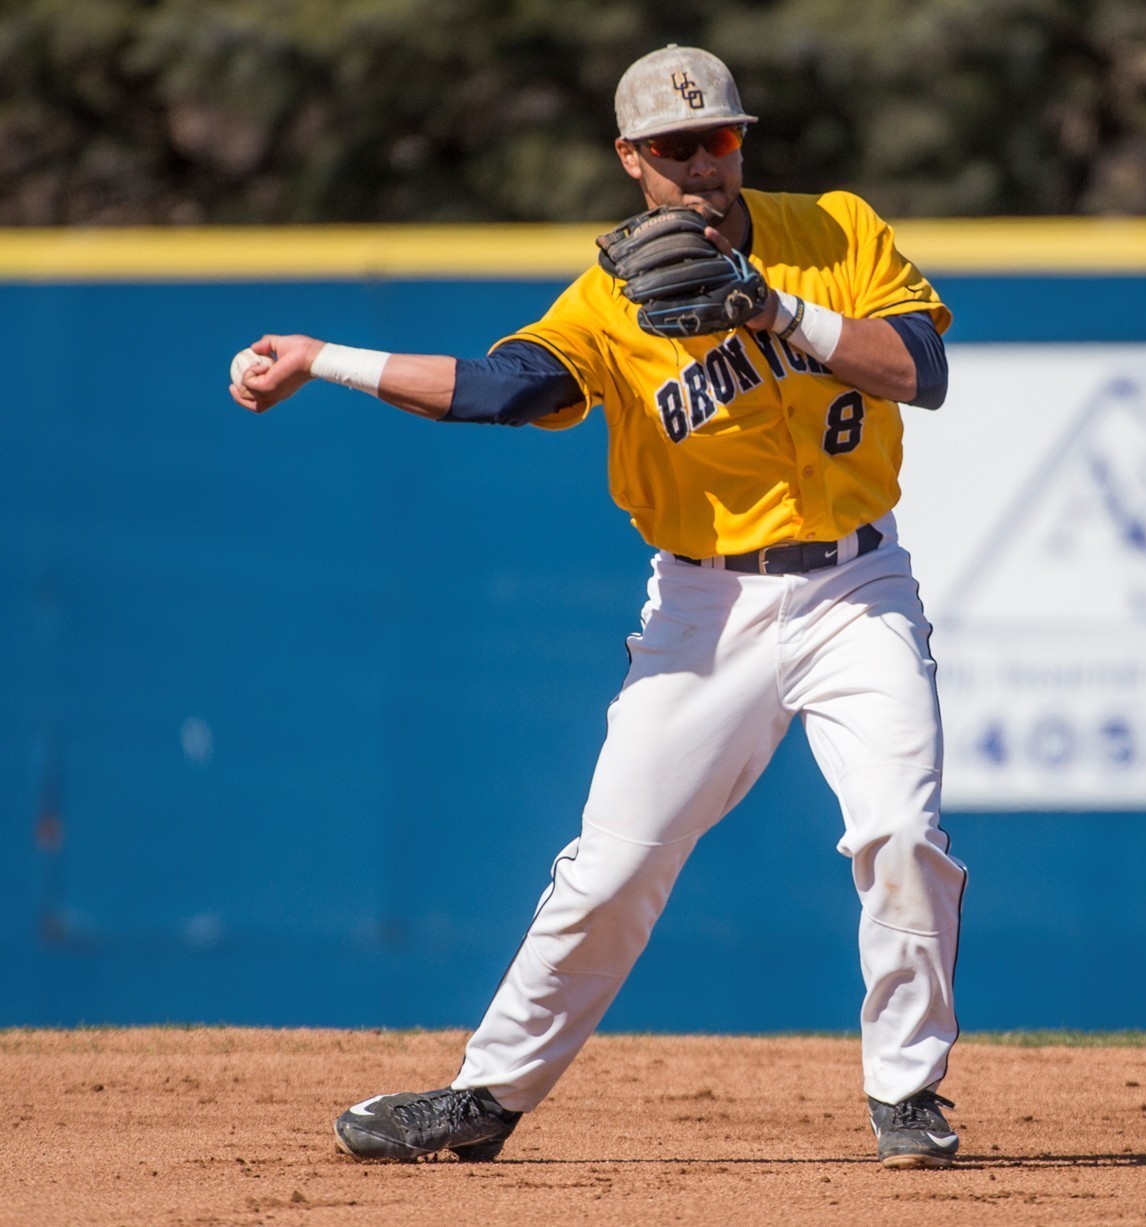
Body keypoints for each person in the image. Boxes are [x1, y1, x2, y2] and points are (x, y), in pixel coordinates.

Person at [230, 44, 967, 1170]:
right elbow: (500, 389)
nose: (701, 164)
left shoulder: (834, 232)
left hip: (857, 586)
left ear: (740, 142)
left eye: (717, 139)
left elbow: (921, 368)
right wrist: (325, 356)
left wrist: (772, 308)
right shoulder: (607, 301)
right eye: (673, 147)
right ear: (630, 158)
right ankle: (486, 1094)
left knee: (901, 831)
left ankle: (906, 1094)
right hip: (705, 606)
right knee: (611, 870)